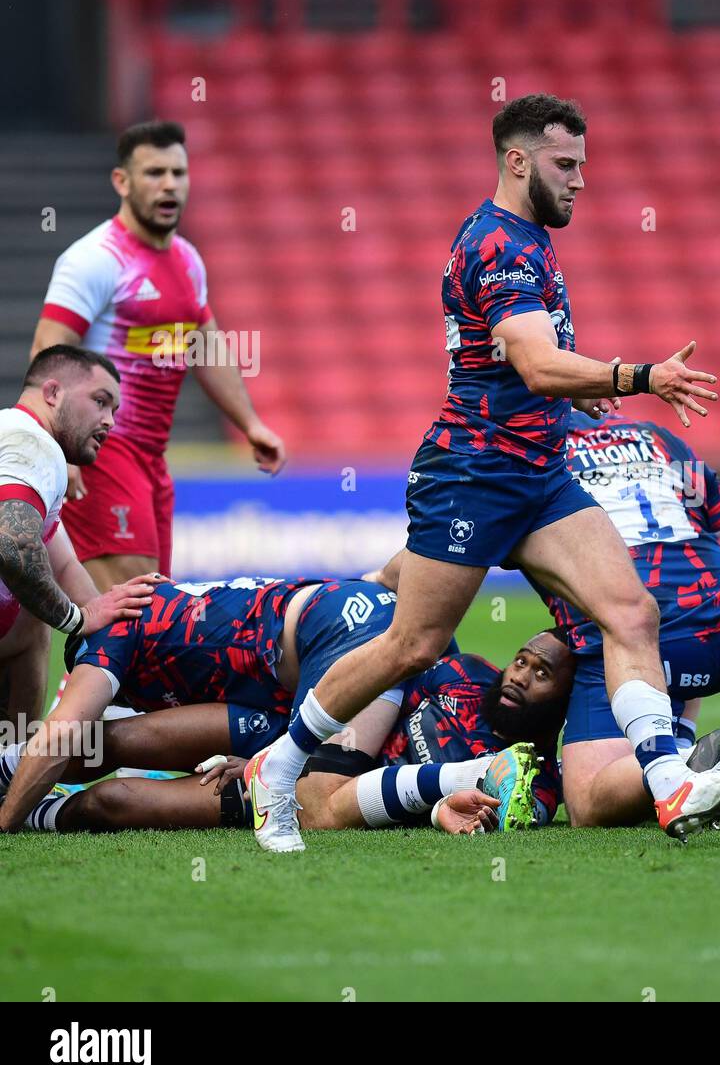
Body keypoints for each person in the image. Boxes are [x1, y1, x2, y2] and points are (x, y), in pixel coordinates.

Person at [244, 93, 720, 851]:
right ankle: (279, 767)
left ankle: (669, 782)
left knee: (630, 613)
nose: (580, 179)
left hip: (540, 473)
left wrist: (575, 396)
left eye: (583, 165)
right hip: (474, 475)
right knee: (412, 645)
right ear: (518, 162)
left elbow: (519, 364)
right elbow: (533, 361)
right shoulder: (500, 243)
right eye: (566, 165)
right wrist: (638, 377)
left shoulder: (529, 237)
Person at [371, 411, 720, 828]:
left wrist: (377, 581)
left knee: (587, 800)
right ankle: (678, 736)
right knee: (673, 612)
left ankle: (681, 763)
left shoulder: (524, 450)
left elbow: (449, 550)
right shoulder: (659, 438)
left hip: (636, 628)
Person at [32, 119, 285, 586]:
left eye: (178, 173)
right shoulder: (95, 259)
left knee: (148, 609)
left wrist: (250, 423)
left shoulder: (187, 260)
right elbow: (47, 351)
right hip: (101, 450)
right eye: (154, 173)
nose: (169, 184)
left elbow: (206, 347)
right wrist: (60, 448)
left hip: (152, 458)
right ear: (121, 182)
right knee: (133, 605)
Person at [0, 576, 451, 830]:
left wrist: (6, 822)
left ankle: (458, 780)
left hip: (341, 632)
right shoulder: (174, 631)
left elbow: (63, 731)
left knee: (313, 804)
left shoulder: (107, 640)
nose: (127, 701)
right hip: (313, 651)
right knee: (119, 749)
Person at [16, 633, 574, 837]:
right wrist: (283, 749)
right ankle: (8, 769)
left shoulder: (536, 782)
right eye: (522, 660)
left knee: (112, 802)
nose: (520, 676)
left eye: (541, 674)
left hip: (301, 796)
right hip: (289, 733)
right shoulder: (464, 673)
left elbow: (480, 815)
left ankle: (35, 817)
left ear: (567, 700)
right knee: (120, 738)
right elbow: (375, 677)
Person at [0, 346, 157, 736]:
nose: (109, 421)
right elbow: (13, 545)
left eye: (114, 410)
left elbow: (64, 563)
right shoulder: (32, 443)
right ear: (53, 393)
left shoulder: (18, 437)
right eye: (100, 402)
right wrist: (76, 619)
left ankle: (13, 759)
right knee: (35, 612)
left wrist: (105, 615)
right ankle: (16, 760)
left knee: (30, 620)